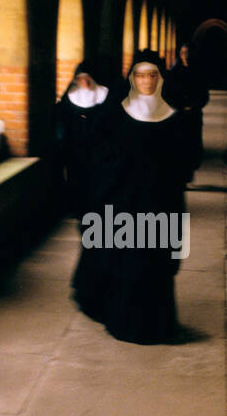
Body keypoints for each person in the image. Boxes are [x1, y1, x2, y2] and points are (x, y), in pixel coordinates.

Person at [70, 50, 200, 344]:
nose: (147, 80)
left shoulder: (173, 113)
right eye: (140, 74)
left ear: (160, 77)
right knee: (126, 263)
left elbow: (186, 156)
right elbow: (95, 152)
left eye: (153, 74)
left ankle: (156, 325)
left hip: (160, 201)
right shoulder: (116, 110)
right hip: (124, 201)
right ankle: (124, 320)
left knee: (155, 264)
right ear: (132, 78)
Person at [56, 60, 110, 220]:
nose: (84, 82)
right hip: (76, 147)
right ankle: (78, 208)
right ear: (75, 79)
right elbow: (62, 122)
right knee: (76, 178)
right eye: (81, 78)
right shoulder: (69, 97)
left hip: (97, 146)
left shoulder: (104, 95)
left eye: (87, 78)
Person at [164, 43, 209, 183]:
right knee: (179, 145)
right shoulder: (174, 72)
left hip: (193, 115)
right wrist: (179, 107)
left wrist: (194, 106)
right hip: (178, 116)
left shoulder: (199, 72)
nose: (186, 55)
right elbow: (168, 94)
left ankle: (189, 171)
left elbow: (204, 95)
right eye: (183, 52)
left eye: (188, 52)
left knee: (193, 145)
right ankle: (181, 173)